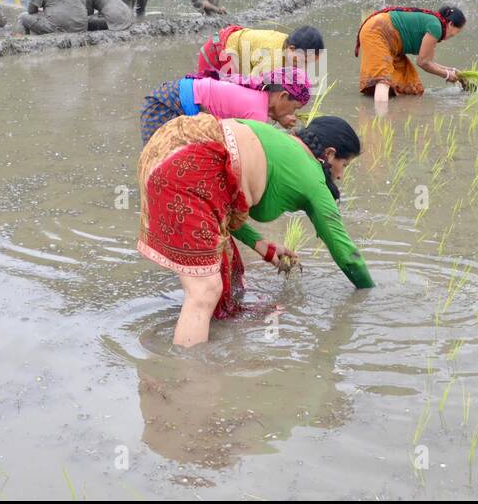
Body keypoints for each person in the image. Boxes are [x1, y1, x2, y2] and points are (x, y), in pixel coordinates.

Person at [137, 113, 372, 346]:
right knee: (205, 291)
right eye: (344, 164)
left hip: (166, 146)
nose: (340, 175)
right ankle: (189, 374)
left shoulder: (278, 141)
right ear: (329, 154)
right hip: (189, 167)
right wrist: (369, 294)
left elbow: (223, 206)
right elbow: (347, 255)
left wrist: (263, 247)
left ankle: (204, 340)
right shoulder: (313, 180)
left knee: (226, 272)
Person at [139, 68, 311, 146]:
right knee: (158, 159)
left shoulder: (256, 93)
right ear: (283, 97)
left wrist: (278, 116)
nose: (292, 114)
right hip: (168, 106)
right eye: (294, 108)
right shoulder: (257, 112)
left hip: (172, 94)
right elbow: (257, 148)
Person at [356, 5, 466, 102]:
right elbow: (423, 62)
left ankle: (395, 112)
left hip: (393, 43)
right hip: (377, 31)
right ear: (451, 24)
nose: (454, 36)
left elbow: (428, 61)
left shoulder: (435, 23)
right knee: (383, 80)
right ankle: (380, 120)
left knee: (410, 87)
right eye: (456, 32)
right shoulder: (436, 27)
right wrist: (446, 75)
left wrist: (453, 71)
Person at [196, 25, 325, 78]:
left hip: (228, 41)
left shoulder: (287, 42)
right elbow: (251, 88)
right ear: (291, 49)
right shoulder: (272, 63)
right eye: (304, 61)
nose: (304, 67)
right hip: (215, 55)